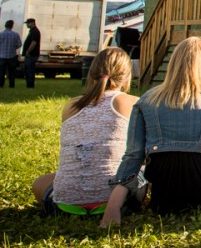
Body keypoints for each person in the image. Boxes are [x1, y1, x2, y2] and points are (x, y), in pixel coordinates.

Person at [101, 37, 201, 227]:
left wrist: (113, 207)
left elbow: (133, 156)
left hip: (166, 198)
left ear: (174, 64)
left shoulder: (147, 100)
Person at [32, 47, 142, 217]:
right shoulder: (132, 102)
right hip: (118, 203)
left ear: (91, 74)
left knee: (40, 182)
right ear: (127, 76)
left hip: (63, 208)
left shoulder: (72, 105)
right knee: (143, 172)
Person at [0, 19, 21, 88]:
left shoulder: (1, 34)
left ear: (5, 25)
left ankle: (1, 84)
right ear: (12, 26)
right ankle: (11, 85)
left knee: (1, 72)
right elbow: (19, 44)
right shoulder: (16, 34)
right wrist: (14, 47)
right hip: (12, 56)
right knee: (12, 72)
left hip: (2, 56)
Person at [22, 18, 41, 88]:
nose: (27, 25)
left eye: (28, 23)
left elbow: (34, 43)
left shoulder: (35, 31)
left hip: (32, 54)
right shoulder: (32, 31)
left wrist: (28, 51)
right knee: (27, 69)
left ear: (32, 23)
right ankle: (29, 84)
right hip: (30, 54)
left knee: (29, 70)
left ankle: (30, 85)